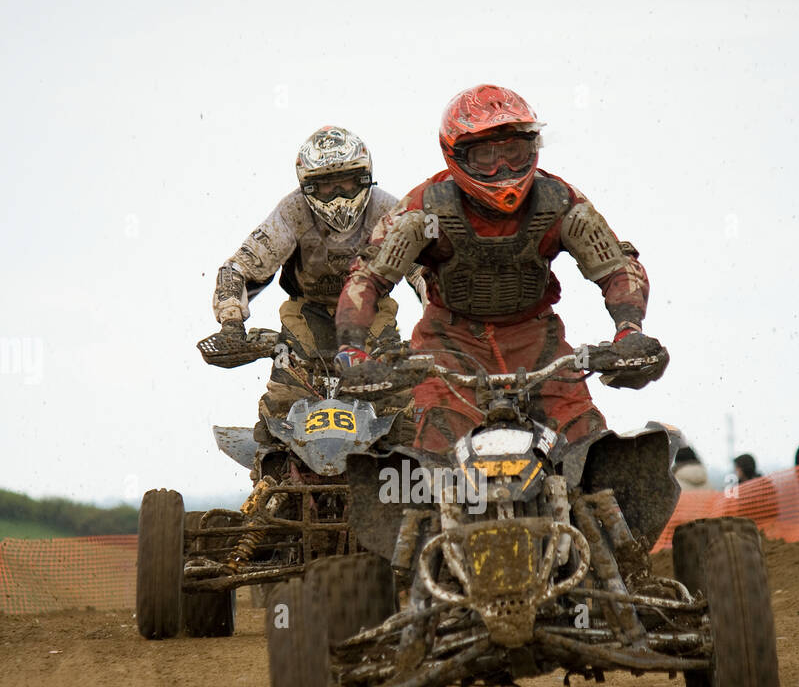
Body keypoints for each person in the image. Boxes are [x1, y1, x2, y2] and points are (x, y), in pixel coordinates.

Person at [334, 84, 667, 454]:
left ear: (532, 149)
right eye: (486, 156)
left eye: (513, 151)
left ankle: (600, 510)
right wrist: (353, 350)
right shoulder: (423, 211)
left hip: (537, 342)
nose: (503, 168)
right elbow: (369, 275)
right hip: (448, 344)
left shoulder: (559, 203)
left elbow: (616, 266)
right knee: (430, 457)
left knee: (590, 448)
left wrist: (628, 331)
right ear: (455, 155)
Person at [210, 126, 425, 457]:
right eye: (327, 184)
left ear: (365, 177)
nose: (338, 194)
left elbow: (424, 271)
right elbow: (240, 268)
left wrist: (440, 319)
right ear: (308, 185)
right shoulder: (293, 211)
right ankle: (272, 480)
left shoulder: (388, 210)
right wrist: (231, 323)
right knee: (282, 398)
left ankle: (406, 478)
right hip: (307, 312)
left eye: (347, 182)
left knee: (397, 397)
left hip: (372, 312)